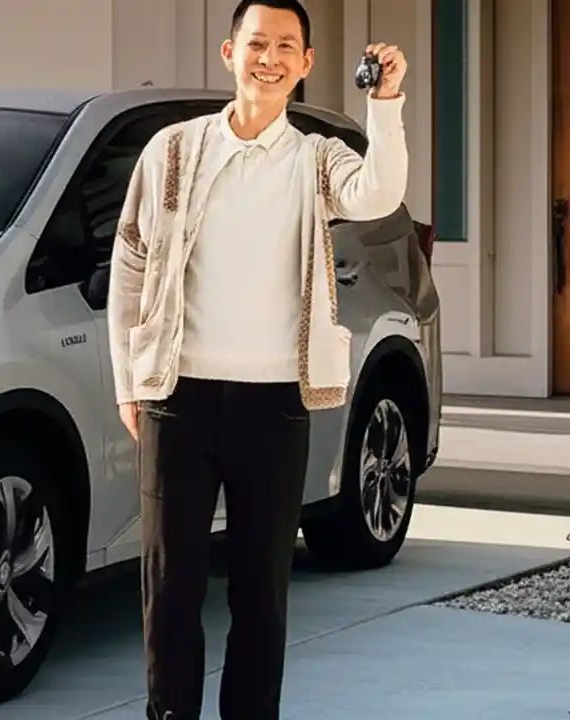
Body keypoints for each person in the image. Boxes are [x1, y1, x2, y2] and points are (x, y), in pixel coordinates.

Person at [105, 1, 409, 718]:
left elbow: (379, 192)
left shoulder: (315, 159)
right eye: (256, 43)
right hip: (178, 397)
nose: (268, 58)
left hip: (274, 401)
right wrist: (129, 380)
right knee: (170, 589)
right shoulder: (173, 150)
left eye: (285, 47)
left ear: (305, 64)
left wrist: (386, 102)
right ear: (228, 52)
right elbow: (129, 263)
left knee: (261, 593)